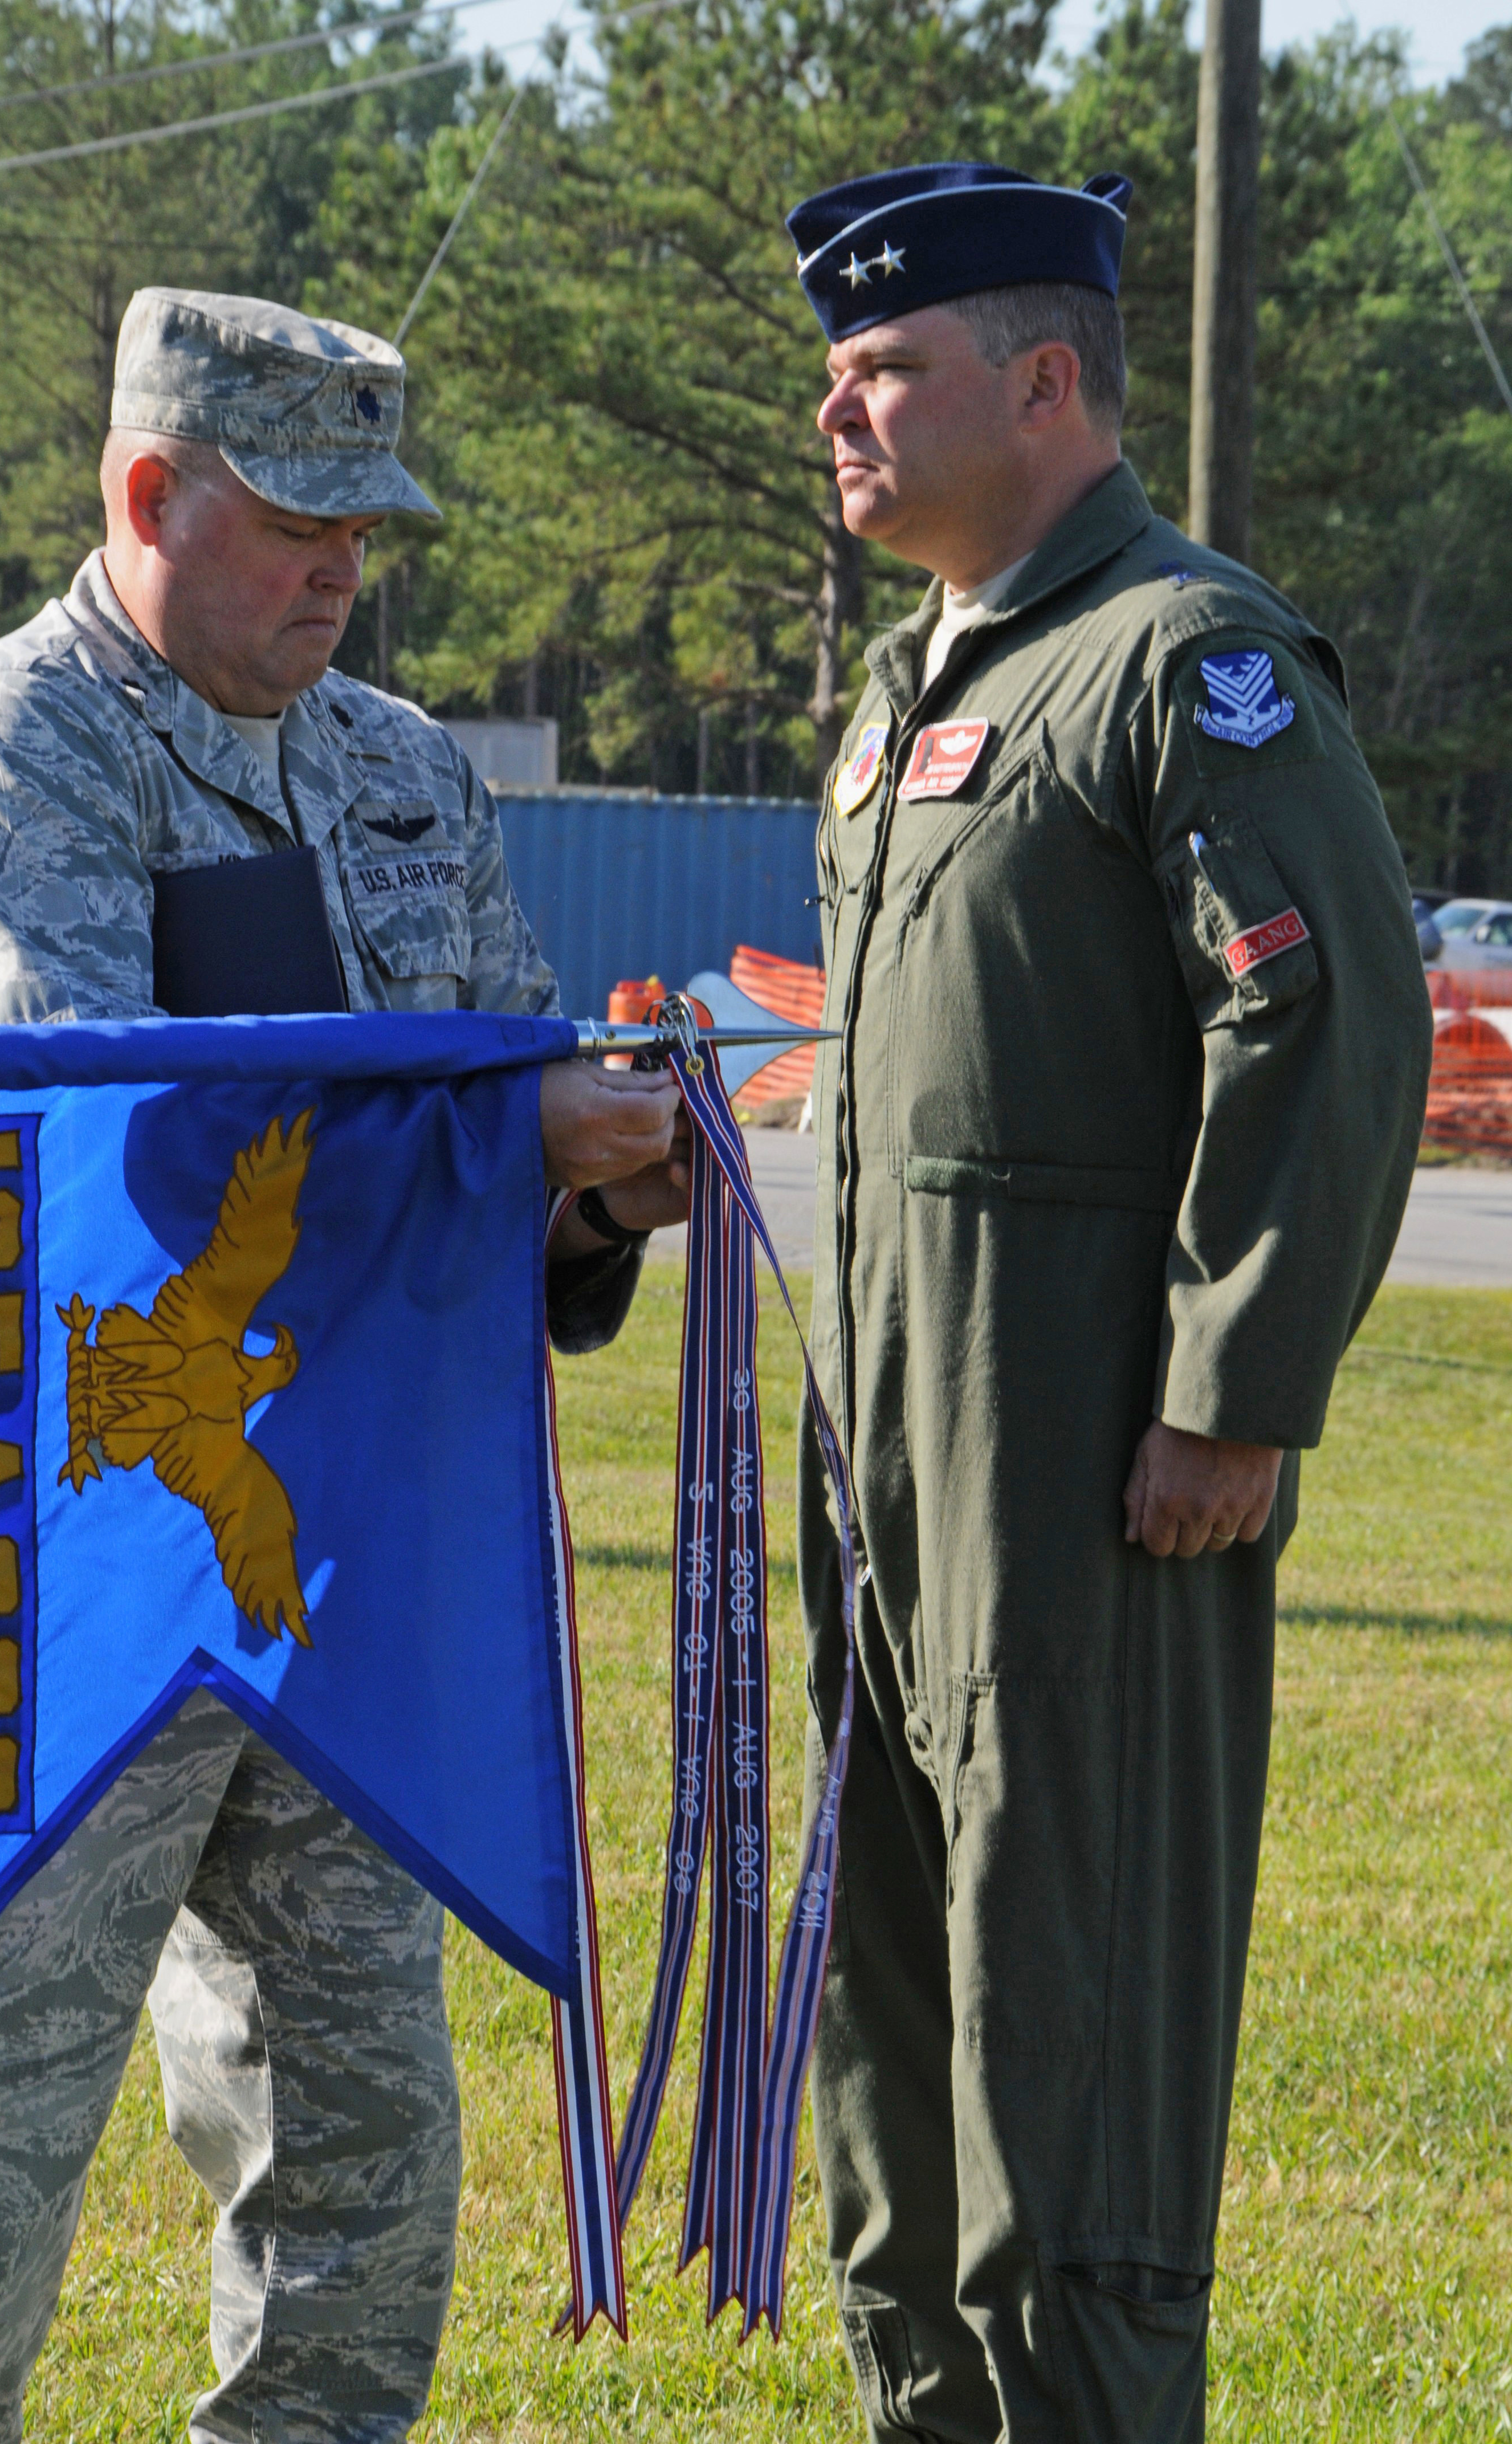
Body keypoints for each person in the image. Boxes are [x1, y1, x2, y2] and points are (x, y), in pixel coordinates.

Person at [0, 288, 684, 2441]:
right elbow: (112, 1158)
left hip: (343, 1570)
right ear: (150, 494)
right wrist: (492, 1136)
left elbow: (490, 1163)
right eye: (297, 520)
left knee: (363, 2139)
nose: (346, 570)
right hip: (68, 1570)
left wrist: (601, 1181)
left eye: (368, 532)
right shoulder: (10, 742)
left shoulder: (405, 769)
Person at [786, 165, 1432, 2442]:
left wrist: (1231, 1388)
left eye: (884, 370)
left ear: (1039, 380)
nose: (835, 414)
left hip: (1076, 1466)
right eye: (835, 372)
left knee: (1057, 2029)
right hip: (882, 1473)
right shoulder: (903, 690)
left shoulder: (1181, 654)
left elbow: (1324, 1020)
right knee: (890, 2027)